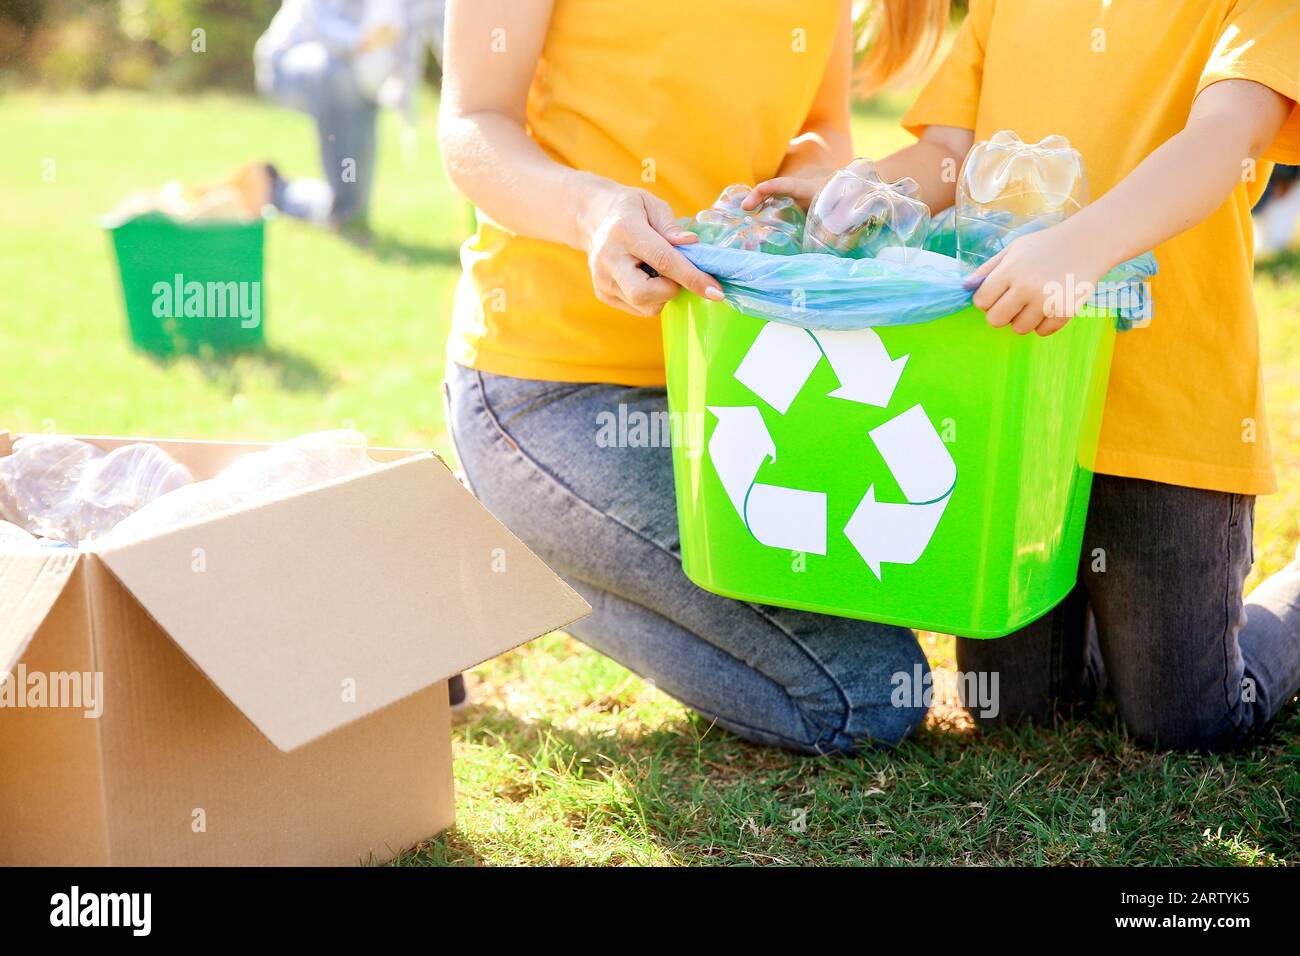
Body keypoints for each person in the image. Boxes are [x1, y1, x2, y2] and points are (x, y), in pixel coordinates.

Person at [751, 0, 1300, 751]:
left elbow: (1226, 138)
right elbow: (947, 153)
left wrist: (1080, 249)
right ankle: (1111, 612)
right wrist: (864, 188)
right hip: (1022, 415)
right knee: (1015, 708)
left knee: (1188, 724)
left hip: (1166, 416)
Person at [439, 0, 949, 754]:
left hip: (734, 392)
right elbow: (472, 124)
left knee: (890, 627)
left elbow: (820, 126)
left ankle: (532, 534)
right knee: (865, 694)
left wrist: (813, 174)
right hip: (553, 390)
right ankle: (506, 540)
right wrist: (593, 212)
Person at [254, 0, 444, 231]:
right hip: (296, 66)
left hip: (364, 85)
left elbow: (448, 26)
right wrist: (366, 41)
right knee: (339, 74)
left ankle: (274, 188)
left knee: (352, 204)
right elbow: (319, 25)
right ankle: (333, 210)